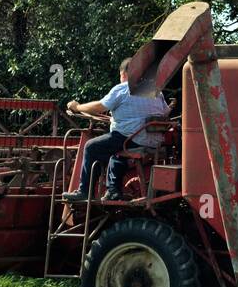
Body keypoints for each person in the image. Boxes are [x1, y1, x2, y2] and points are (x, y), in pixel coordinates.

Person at [62, 58, 172, 202]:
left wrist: (77, 107)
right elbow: (165, 112)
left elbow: (100, 107)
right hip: (152, 141)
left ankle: (84, 192)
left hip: (131, 138)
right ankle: (113, 191)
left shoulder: (123, 88)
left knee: (91, 147)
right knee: (116, 152)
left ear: (125, 74)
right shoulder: (157, 92)